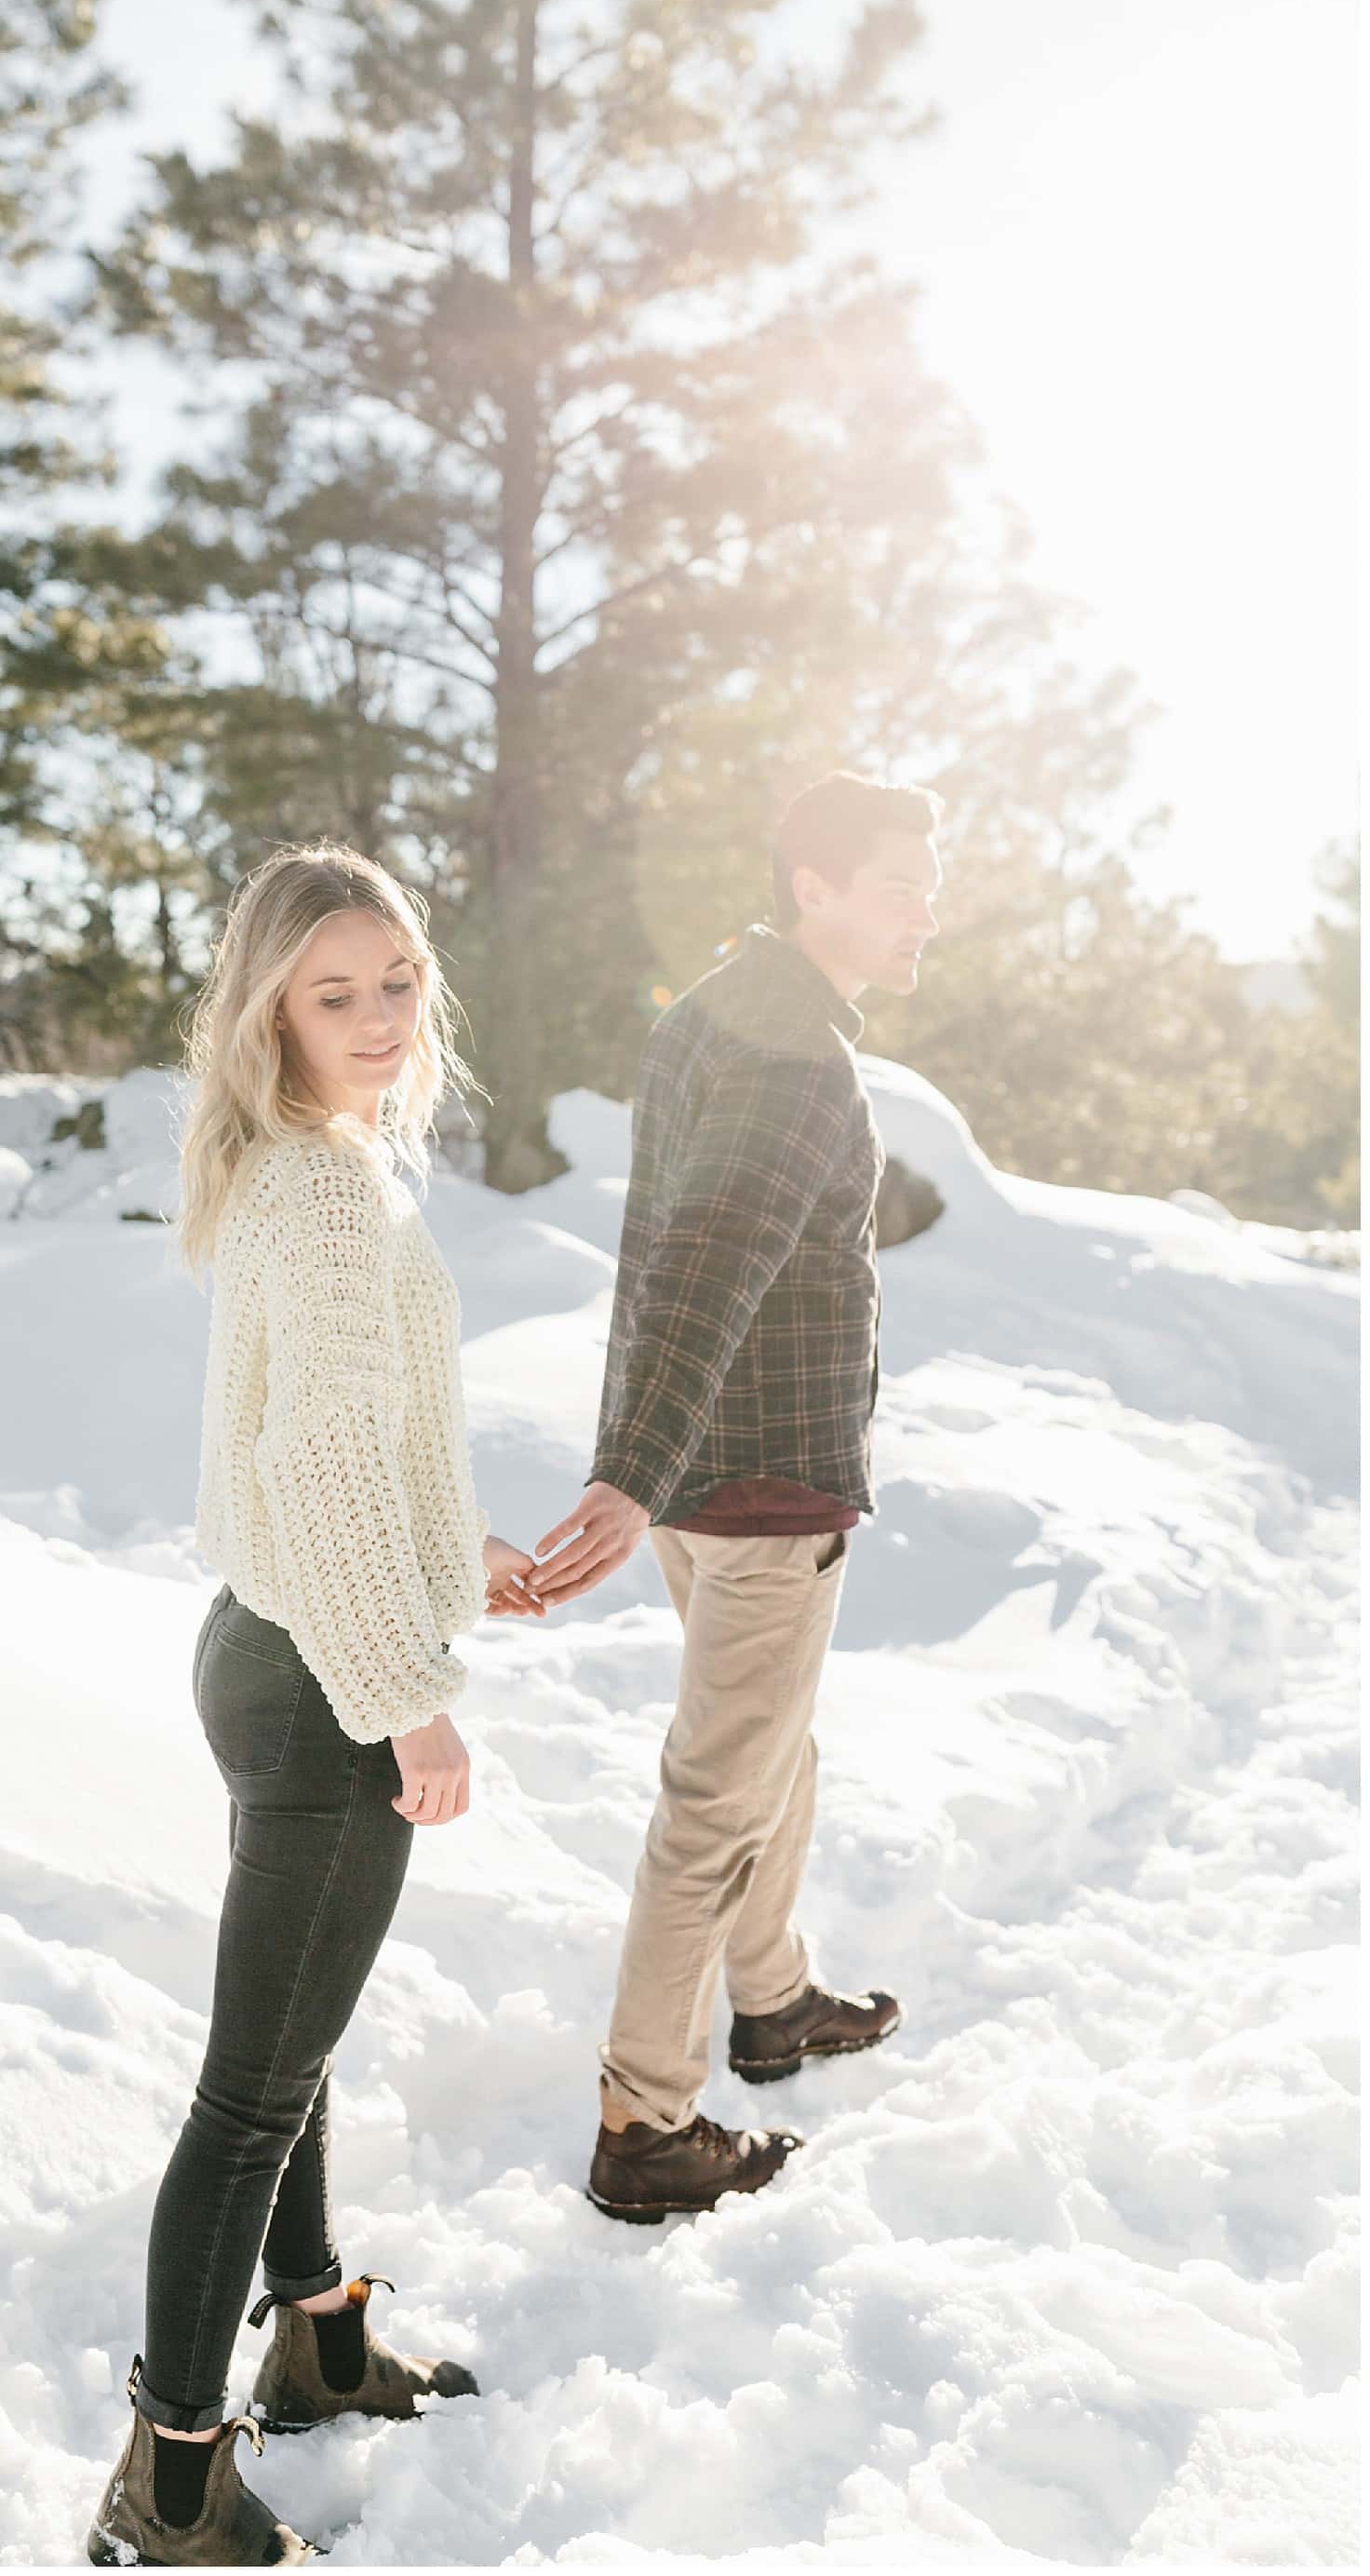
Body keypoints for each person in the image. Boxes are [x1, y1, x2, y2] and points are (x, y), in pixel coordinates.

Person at [87, 843, 544, 2570]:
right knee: (249, 2093)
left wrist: (451, 1551)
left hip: (269, 1638)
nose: (373, 1017)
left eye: (397, 982)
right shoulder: (330, 1193)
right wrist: (409, 1692)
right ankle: (171, 2478)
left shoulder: (305, 1164)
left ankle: (321, 2335)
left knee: (296, 2044)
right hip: (315, 1686)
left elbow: (344, 1454)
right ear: (270, 1004)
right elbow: (323, 1459)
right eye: (331, 991)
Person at [527, 772, 943, 2225]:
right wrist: (631, 1467)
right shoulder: (792, 1055)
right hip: (758, 1479)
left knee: (778, 1750)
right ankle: (646, 2116)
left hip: (717, 1469)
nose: (923, 907)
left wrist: (646, 1455)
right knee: (718, 1796)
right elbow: (704, 1262)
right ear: (812, 883)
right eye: (899, 879)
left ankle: (769, 2001)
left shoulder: (711, 1011)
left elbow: (654, 1252)